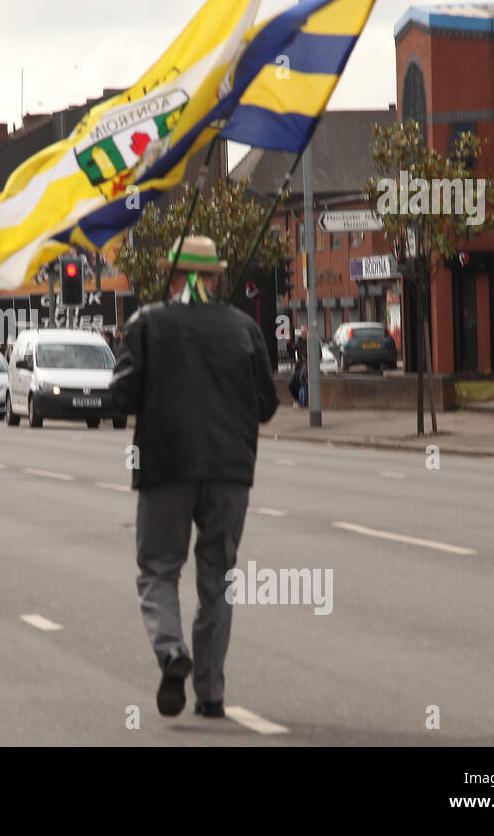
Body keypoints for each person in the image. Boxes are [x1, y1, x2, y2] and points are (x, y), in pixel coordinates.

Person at [110, 235, 279, 720]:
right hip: (229, 471)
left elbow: (121, 397)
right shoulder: (244, 328)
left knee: (159, 569)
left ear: (176, 276)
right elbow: (266, 405)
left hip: (165, 468)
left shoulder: (148, 322)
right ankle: (210, 693)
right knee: (217, 579)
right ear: (215, 277)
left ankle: (170, 650)